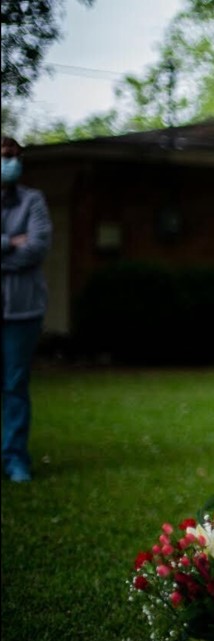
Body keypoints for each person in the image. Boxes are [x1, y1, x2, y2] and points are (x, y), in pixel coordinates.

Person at [2, 136, 52, 483]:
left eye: (16, 156)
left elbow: (37, 248)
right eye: (5, 156)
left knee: (15, 386)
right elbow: (22, 248)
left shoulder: (33, 200)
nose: (11, 162)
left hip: (23, 311)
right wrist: (10, 242)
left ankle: (15, 458)